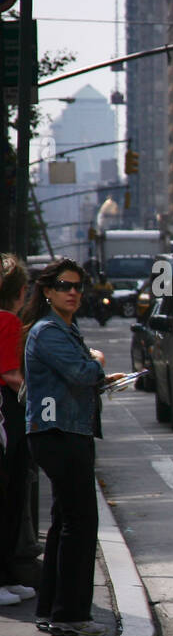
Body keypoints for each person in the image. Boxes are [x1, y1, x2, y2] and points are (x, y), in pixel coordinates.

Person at [21, 258, 125, 636]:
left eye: (78, 286)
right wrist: (97, 362)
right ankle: (70, 615)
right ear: (47, 291)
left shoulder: (65, 328)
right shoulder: (48, 331)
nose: (73, 292)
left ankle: (51, 609)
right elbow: (82, 372)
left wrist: (100, 377)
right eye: (64, 285)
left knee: (66, 522)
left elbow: (78, 380)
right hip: (58, 433)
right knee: (80, 525)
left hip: (67, 431)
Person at [0, 255, 33, 606]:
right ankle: (4, 577)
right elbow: (10, 374)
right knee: (11, 493)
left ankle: (9, 576)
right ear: (22, 291)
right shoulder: (8, 320)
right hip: (8, 412)